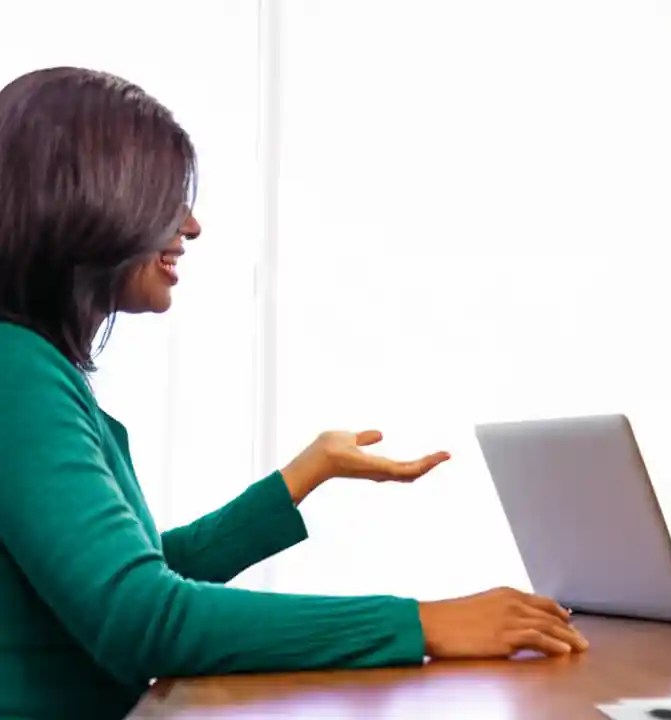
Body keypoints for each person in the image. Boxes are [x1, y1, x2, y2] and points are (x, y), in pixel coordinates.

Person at [0, 67, 588, 719]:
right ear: (84, 197)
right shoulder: (16, 371)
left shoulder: (29, 367)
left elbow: (140, 574)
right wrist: (423, 625)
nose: (190, 227)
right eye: (165, 199)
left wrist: (301, 477)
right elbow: (141, 616)